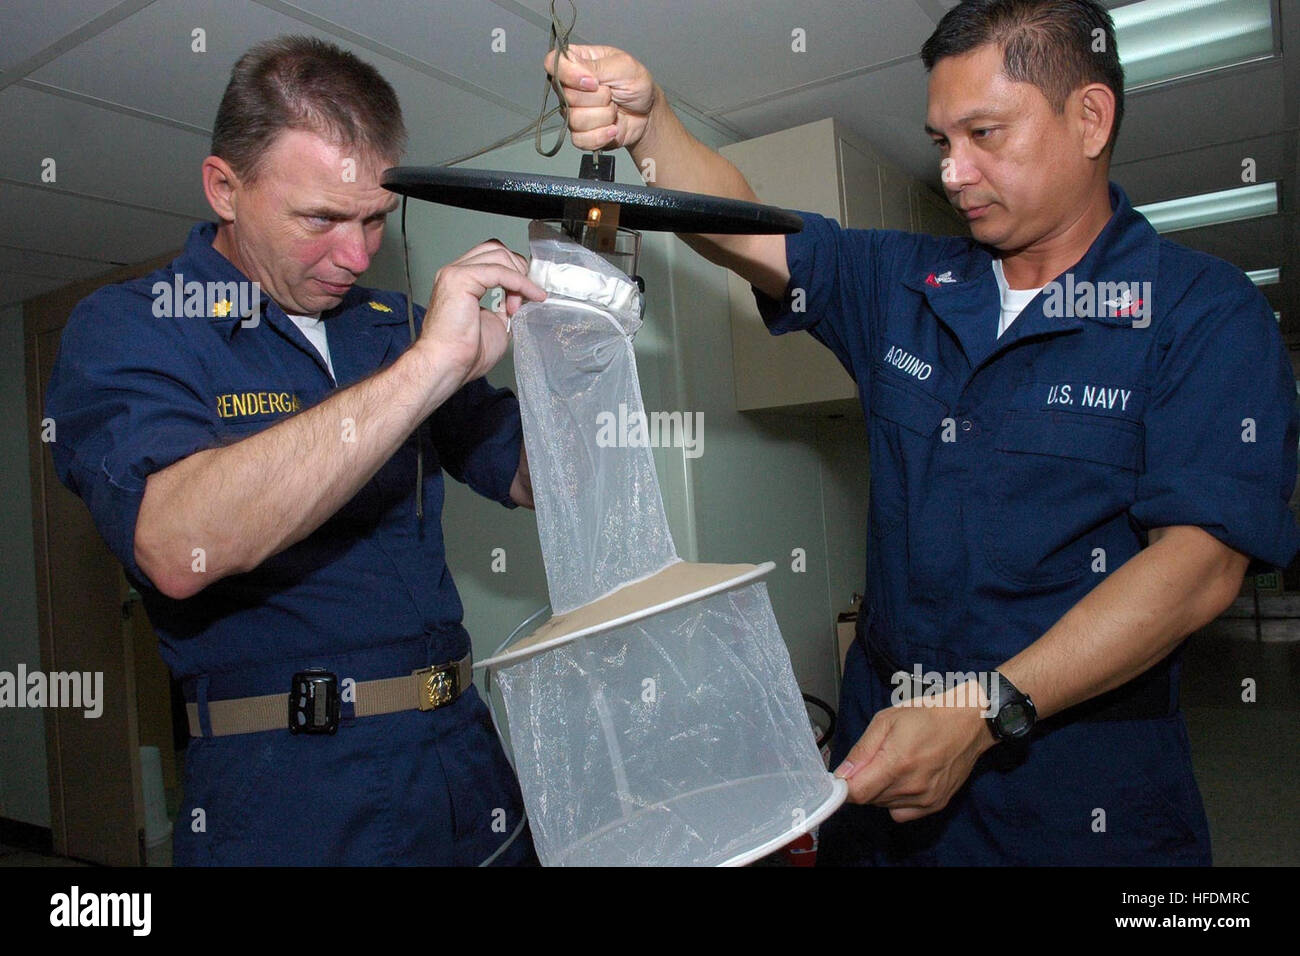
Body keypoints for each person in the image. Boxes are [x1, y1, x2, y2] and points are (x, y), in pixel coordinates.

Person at [546, 0, 1300, 865]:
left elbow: (1199, 567)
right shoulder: (910, 282)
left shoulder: (1202, 314)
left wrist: (987, 709)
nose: (953, 172)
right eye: (944, 142)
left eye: (985, 134)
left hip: (1073, 782)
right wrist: (655, 129)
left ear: (1089, 118)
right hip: (886, 757)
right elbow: (753, 236)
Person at [45, 35, 547, 866]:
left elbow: (534, 479)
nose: (355, 258)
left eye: (375, 220)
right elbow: (175, 545)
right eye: (320, 218)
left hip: (463, 757)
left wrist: (574, 350)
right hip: (290, 791)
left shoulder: (394, 330)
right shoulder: (130, 328)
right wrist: (428, 371)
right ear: (226, 189)